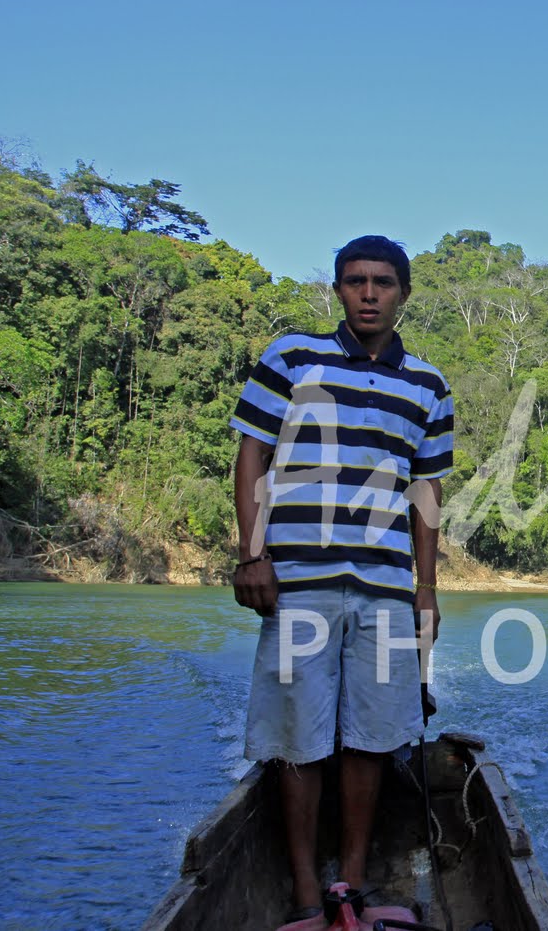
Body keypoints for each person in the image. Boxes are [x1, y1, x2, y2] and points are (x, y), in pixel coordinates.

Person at [230, 235, 453, 921]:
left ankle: (348, 882)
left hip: (386, 586)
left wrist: (426, 590)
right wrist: (252, 552)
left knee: (372, 734)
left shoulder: (429, 386)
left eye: (382, 282)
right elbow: (251, 455)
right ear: (337, 291)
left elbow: (426, 494)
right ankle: (303, 888)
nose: (368, 293)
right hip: (299, 577)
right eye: (354, 281)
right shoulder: (293, 358)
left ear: (403, 294)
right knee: (298, 734)